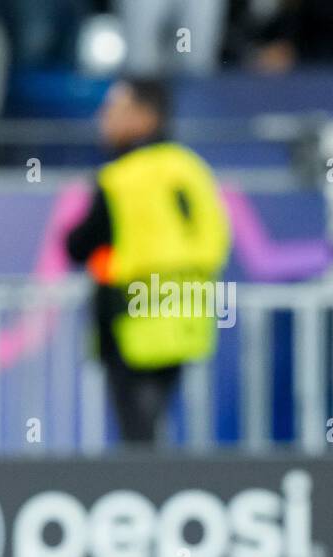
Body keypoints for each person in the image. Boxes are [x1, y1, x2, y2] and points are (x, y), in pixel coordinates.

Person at [65, 78, 230, 445]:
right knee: (155, 430)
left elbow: (79, 244)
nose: (103, 118)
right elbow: (217, 238)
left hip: (133, 326)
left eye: (114, 109)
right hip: (186, 323)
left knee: (138, 440)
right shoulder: (192, 168)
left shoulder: (121, 178)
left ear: (145, 116)